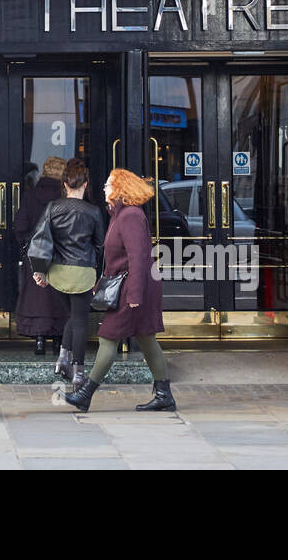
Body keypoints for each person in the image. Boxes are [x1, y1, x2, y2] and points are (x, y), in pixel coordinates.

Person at [65, 168, 171, 412]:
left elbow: (138, 258)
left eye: (108, 184)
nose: (104, 187)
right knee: (146, 338)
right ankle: (164, 394)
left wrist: (135, 294)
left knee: (107, 337)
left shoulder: (130, 216)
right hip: (130, 285)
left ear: (120, 189)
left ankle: (85, 394)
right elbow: (116, 258)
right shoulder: (119, 215)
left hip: (133, 288)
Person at [28, 158, 105, 389]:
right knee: (80, 320)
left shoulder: (53, 207)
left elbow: (40, 239)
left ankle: (62, 359)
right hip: (83, 272)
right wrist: (99, 273)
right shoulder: (93, 212)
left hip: (57, 274)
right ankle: (78, 372)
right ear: (85, 183)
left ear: (65, 184)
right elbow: (100, 245)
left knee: (73, 315)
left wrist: (39, 271)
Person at [12, 156, 69, 355]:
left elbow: (20, 225)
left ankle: (39, 340)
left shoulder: (30, 195)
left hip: (36, 253)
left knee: (37, 296)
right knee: (59, 297)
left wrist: (28, 246)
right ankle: (58, 340)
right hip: (61, 254)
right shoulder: (64, 196)